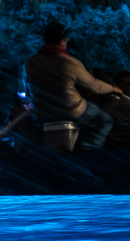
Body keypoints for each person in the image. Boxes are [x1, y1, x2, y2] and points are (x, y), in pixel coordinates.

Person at [25, 21, 120, 150]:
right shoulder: (70, 63)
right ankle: (87, 149)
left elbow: (30, 85)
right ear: (64, 40)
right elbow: (95, 86)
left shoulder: (31, 62)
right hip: (70, 109)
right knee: (104, 120)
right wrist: (113, 88)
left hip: (42, 110)